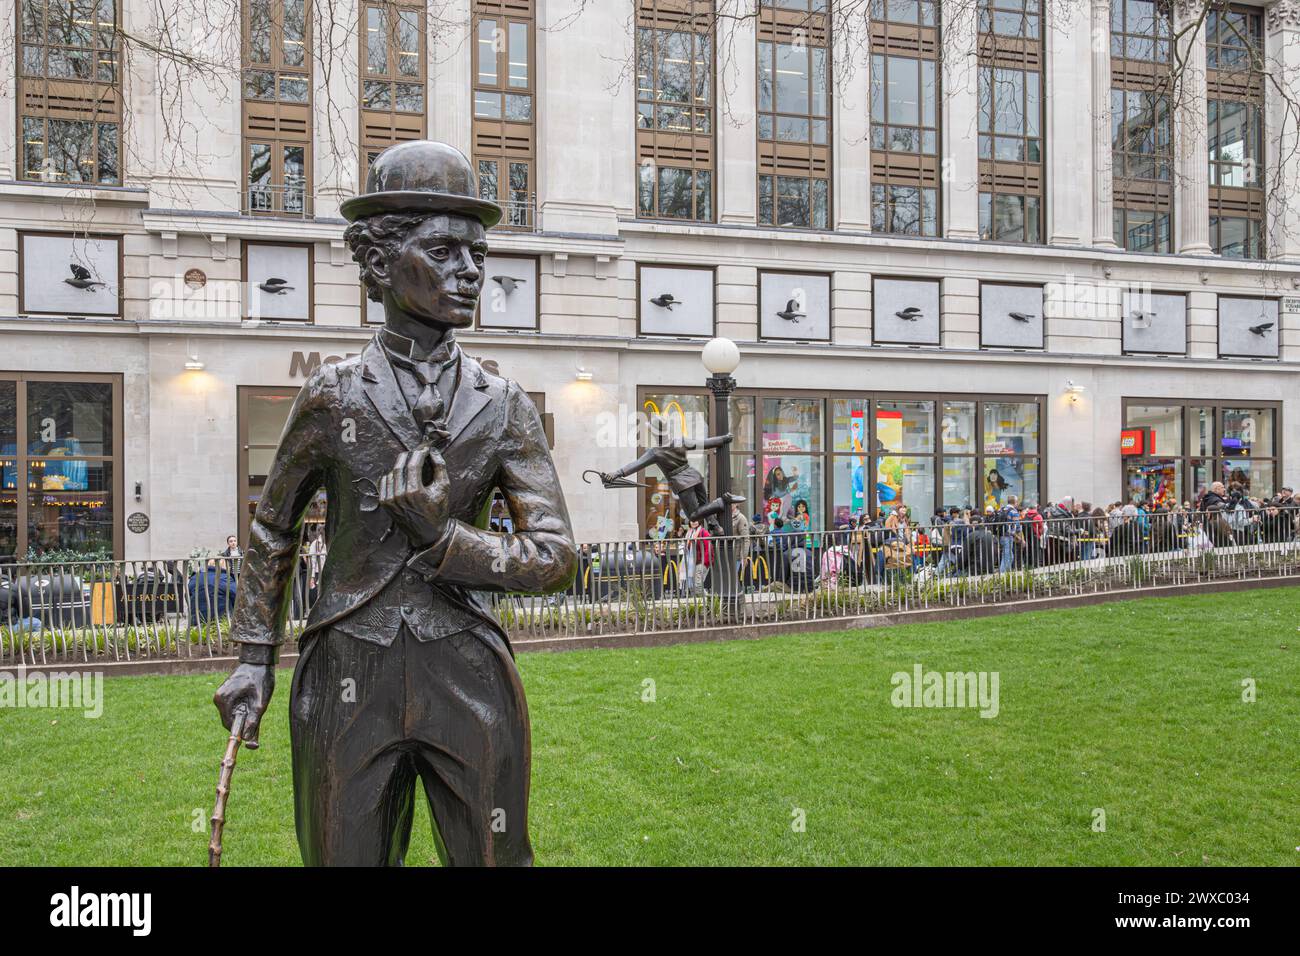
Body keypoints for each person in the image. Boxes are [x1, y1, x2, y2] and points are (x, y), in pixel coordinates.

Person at [213, 142, 578, 868]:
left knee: (497, 858)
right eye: (444, 251)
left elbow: (556, 556)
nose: (471, 271)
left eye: (478, 253)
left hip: (468, 671)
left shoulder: (504, 406)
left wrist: (445, 540)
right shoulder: (331, 394)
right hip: (348, 669)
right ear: (380, 264)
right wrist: (254, 658)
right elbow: (272, 525)